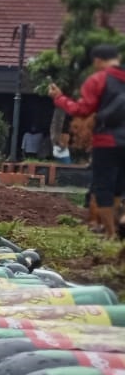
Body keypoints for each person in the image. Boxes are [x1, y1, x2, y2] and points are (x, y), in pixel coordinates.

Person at [49, 44, 125, 235]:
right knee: (120, 187)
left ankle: (110, 233)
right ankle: (116, 226)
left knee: (104, 187)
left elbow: (81, 110)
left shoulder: (98, 79)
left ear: (97, 61)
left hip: (107, 141)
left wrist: (59, 98)